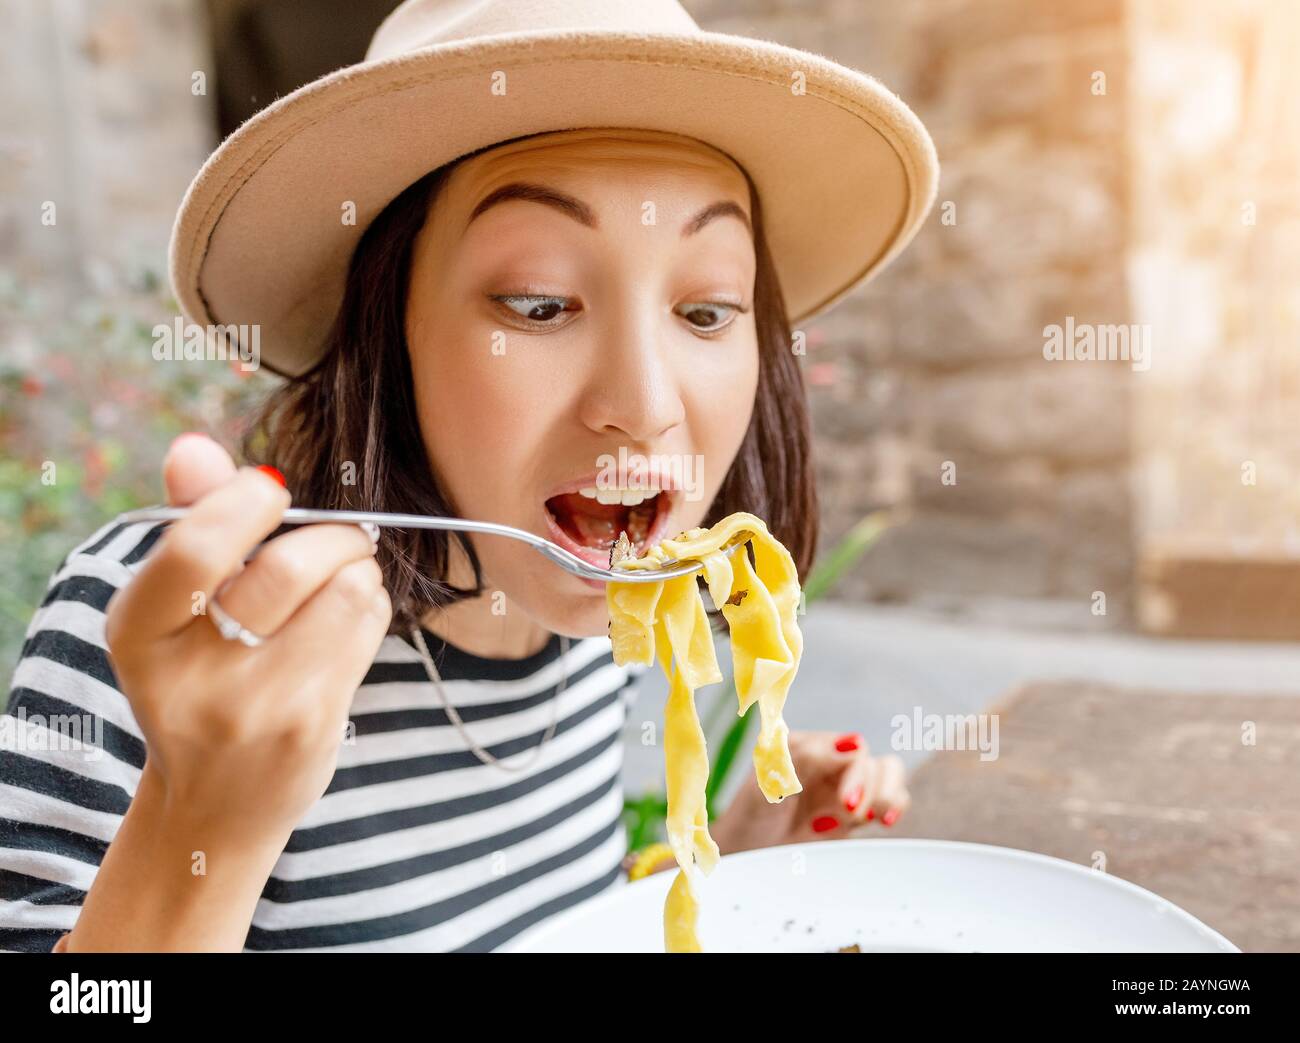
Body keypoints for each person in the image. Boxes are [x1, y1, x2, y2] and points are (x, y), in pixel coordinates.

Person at [0, 0, 937, 952]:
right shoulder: (168, 622)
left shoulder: (591, 624)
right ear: (387, 334)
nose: (645, 403)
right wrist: (198, 826)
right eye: (538, 303)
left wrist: (730, 861)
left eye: (705, 312)